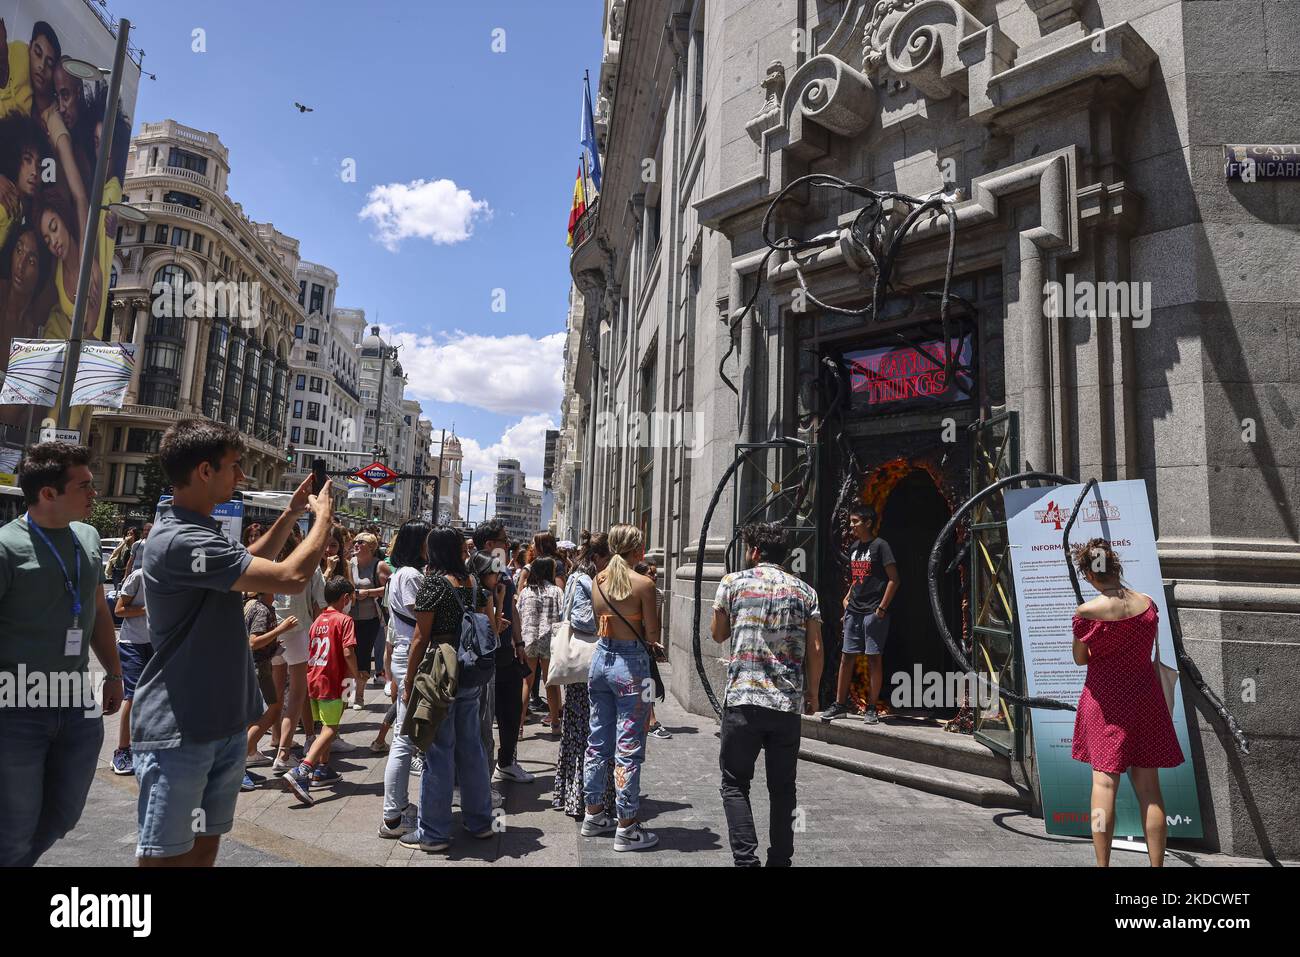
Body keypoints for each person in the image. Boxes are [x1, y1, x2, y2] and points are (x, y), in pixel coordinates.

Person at [131, 419, 332, 866]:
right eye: (235, 466)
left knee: (204, 848)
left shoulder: (198, 530)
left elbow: (252, 560)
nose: (242, 475)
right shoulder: (180, 539)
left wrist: (292, 513)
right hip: (181, 727)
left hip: (220, 725)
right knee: (165, 855)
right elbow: (291, 577)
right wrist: (323, 520)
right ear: (205, 470)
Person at [0, 442, 122, 867]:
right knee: (13, 831)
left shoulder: (87, 538)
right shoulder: (6, 548)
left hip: (77, 704)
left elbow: (97, 608)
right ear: (48, 494)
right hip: (16, 707)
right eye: (84, 486)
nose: (94, 494)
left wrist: (114, 672)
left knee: (64, 816)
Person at [712, 523, 823, 866]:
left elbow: (717, 634)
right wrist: (814, 694)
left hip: (744, 701)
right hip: (785, 703)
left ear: (756, 551)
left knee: (734, 784)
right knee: (783, 789)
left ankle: (746, 861)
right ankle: (780, 860)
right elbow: (817, 648)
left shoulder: (733, 582)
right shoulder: (805, 592)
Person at [1070, 538, 1184, 868]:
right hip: (1145, 699)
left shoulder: (1087, 613)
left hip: (1105, 702)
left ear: (1089, 574)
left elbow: (1080, 659)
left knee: (1104, 784)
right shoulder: (1147, 604)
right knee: (1150, 789)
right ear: (1115, 566)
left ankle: (1102, 865)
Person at [399, 526, 495, 853]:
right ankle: (480, 821)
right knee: (471, 748)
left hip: (441, 672)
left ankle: (434, 832)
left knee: (437, 751)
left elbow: (419, 638)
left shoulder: (434, 585)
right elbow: (485, 623)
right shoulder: (473, 583)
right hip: (471, 673)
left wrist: (408, 680)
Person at [582, 523, 661, 851]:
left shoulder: (597, 581)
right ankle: (626, 825)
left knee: (598, 739)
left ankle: (594, 813)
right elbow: (653, 635)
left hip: (600, 661)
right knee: (629, 744)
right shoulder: (644, 584)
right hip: (632, 668)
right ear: (638, 550)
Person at [552, 533, 614, 818]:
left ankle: (584, 794)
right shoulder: (583, 580)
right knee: (586, 734)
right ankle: (581, 797)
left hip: (591, 671)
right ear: (598, 558)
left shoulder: (586, 579)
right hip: (585, 671)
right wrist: (609, 612)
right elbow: (581, 619)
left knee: (587, 733)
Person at [282, 576, 359, 804]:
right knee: (331, 729)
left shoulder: (318, 621)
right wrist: (357, 674)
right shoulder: (345, 620)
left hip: (314, 679)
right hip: (336, 681)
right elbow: (348, 652)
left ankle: (323, 769)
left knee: (324, 725)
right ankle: (304, 769)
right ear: (346, 598)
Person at [820, 503, 898, 724]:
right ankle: (839, 704)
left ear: (868, 522)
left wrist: (881, 609)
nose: (851, 525)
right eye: (851, 521)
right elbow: (858, 578)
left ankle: (872, 707)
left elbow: (894, 579)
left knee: (874, 659)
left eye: (855, 521)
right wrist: (847, 597)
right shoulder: (854, 548)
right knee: (847, 656)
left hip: (873, 611)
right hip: (854, 610)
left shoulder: (881, 546)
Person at [378, 520, 429, 838]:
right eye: (426, 540)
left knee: (404, 737)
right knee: (404, 740)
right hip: (410, 655)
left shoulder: (404, 574)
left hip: (406, 654)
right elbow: (420, 616)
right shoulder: (409, 575)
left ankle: (398, 809)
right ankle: (392, 817)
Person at [474, 519, 534, 787]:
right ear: (490, 545)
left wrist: (519, 643)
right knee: (483, 715)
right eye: (503, 540)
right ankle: (478, 776)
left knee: (510, 708)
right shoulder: (477, 571)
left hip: (506, 650)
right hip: (485, 652)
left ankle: (506, 761)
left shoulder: (504, 572)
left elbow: (512, 607)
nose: (507, 544)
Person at [268, 526, 325, 772]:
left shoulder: (267, 561)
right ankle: (284, 752)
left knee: (276, 689)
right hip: (297, 629)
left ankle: (275, 738)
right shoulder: (308, 562)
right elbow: (321, 601)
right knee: (299, 692)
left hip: (270, 630)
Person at [242, 592, 300, 790]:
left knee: (254, 715)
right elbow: (253, 642)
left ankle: (240, 765)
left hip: (255, 665)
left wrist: (274, 643)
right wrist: (281, 629)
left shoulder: (254, 605)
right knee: (272, 710)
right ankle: (238, 764)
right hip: (259, 667)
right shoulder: (261, 609)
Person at [111, 561, 150, 775]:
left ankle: (144, 748)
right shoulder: (138, 575)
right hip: (132, 643)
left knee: (155, 697)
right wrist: (146, 609)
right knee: (133, 696)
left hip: (157, 643)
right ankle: (122, 751)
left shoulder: (173, 576)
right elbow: (119, 610)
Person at [518, 556, 565, 735]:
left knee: (526, 682)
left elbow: (519, 612)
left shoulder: (525, 591)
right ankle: (554, 724)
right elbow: (562, 613)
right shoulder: (556, 591)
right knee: (550, 682)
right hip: (549, 640)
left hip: (528, 638)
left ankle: (519, 727)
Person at [348, 532, 388, 709]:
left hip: (369, 619)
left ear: (371, 547)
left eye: (361, 542)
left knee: (363, 657)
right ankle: (346, 694)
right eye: (355, 541)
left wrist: (368, 593)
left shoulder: (379, 566)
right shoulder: (350, 563)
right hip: (348, 618)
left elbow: (388, 588)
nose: (356, 544)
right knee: (348, 656)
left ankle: (359, 696)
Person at [635, 559, 671, 740]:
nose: (655, 576)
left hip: (646, 644)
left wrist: (654, 642)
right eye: (651, 573)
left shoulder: (658, 594)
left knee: (647, 681)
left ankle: (650, 719)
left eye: (656, 573)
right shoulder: (634, 591)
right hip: (633, 641)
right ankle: (649, 720)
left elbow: (655, 622)